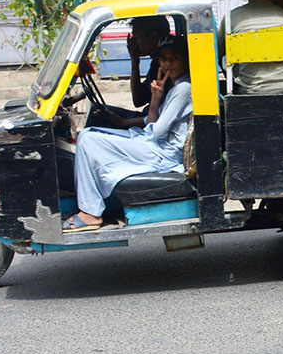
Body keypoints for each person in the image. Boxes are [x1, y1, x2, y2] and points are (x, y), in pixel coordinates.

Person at [63, 39, 193, 232]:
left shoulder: (184, 89)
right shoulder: (174, 86)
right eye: (164, 59)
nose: (168, 64)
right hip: (154, 144)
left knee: (88, 139)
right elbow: (152, 123)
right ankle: (94, 204)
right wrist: (156, 98)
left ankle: (90, 212)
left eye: (175, 58)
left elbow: (157, 130)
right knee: (90, 134)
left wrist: (146, 123)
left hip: (164, 153)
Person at [87, 15, 171, 129]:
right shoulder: (155, 64)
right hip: (147, 117)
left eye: (136, 37)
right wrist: (135, 62)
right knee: (97, 112)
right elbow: (139, 100)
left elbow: (161, 117)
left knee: (97, 116)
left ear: (153, 37)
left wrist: (124, 122)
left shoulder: (168, 68)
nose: (133, 42)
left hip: (151, 122)